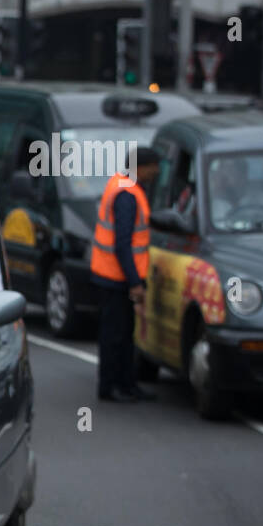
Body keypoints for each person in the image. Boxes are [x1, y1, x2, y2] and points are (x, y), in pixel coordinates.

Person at [90, 147, 159, 403]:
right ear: (142, 167)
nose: (157, 172)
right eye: (154, 166)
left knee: (125, 333)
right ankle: (110, 387)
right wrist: (135, 283)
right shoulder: (127, 195)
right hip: (114, 277)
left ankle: (127, 384)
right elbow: (122, 244)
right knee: (114, 335)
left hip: (115, 275)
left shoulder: (124, 185)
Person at [209, 158, 263, 226]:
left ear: (243, 176)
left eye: (231, 173)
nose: (226, 181)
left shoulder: (261, 198)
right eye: (223, 175)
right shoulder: (213, 204)